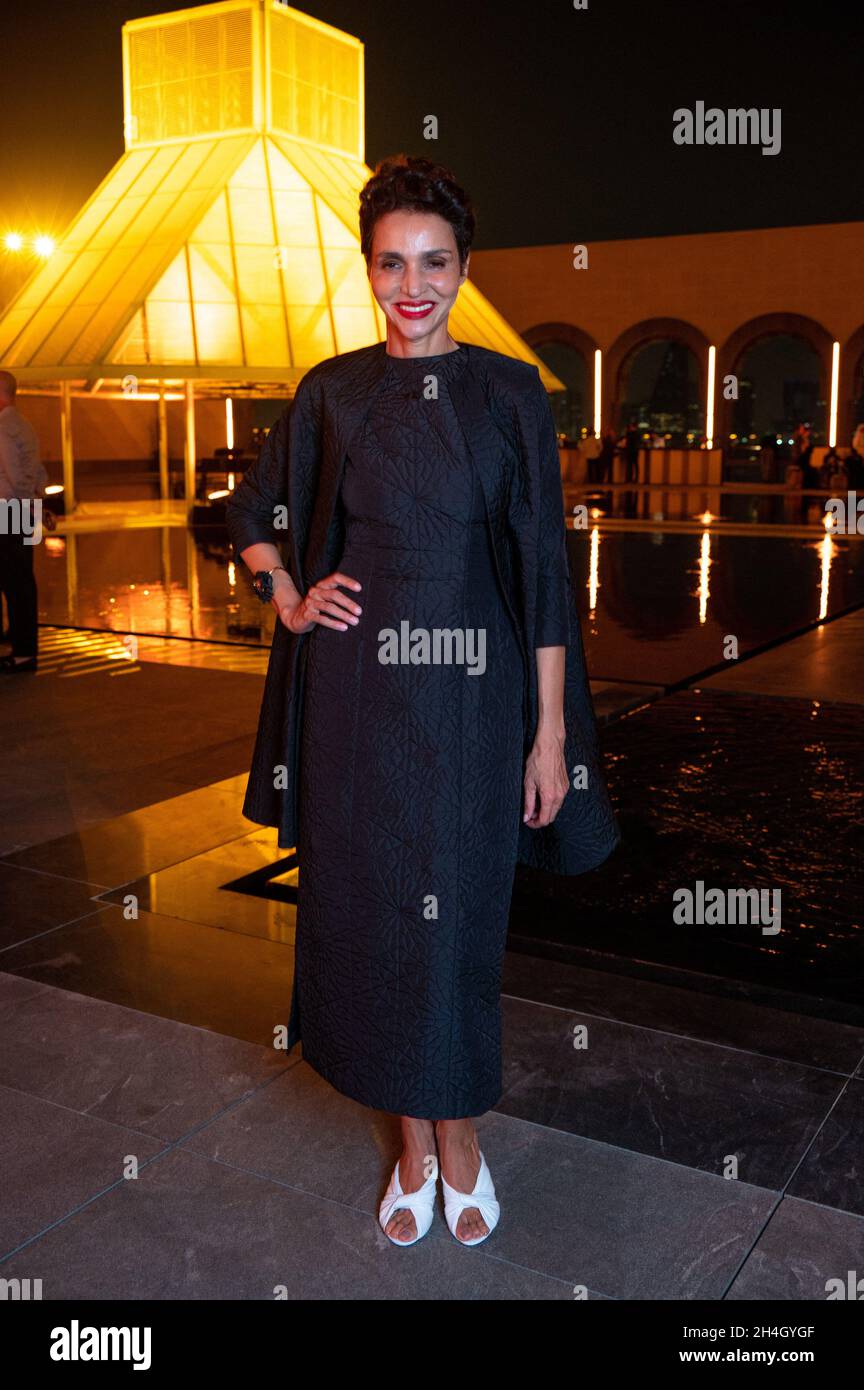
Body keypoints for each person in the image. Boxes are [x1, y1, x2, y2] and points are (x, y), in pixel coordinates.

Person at [226, 155, 619, 1250]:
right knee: (372, 924)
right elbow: (250, 509)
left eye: (433, 262)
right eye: (391, 262)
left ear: (463, 266)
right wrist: (288, 593)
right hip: (357, 703)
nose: (412, 284)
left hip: (479, 699)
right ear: (367, 267)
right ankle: (411, 1142)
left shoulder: (508, 393)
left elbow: (543, 571)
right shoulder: (333, 390)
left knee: (456, 929)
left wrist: (550, 735)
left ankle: (461, 1141)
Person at [0, 370, 48, 673]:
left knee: (15, 582)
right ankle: (20, 641)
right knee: (20, 580)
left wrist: (19, 505)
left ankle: (23, 652)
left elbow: (15, 478)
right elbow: (38, 473)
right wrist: (37, 505)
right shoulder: (24, 425)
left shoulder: (4, 428)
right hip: (21, 511)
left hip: (9, 511)